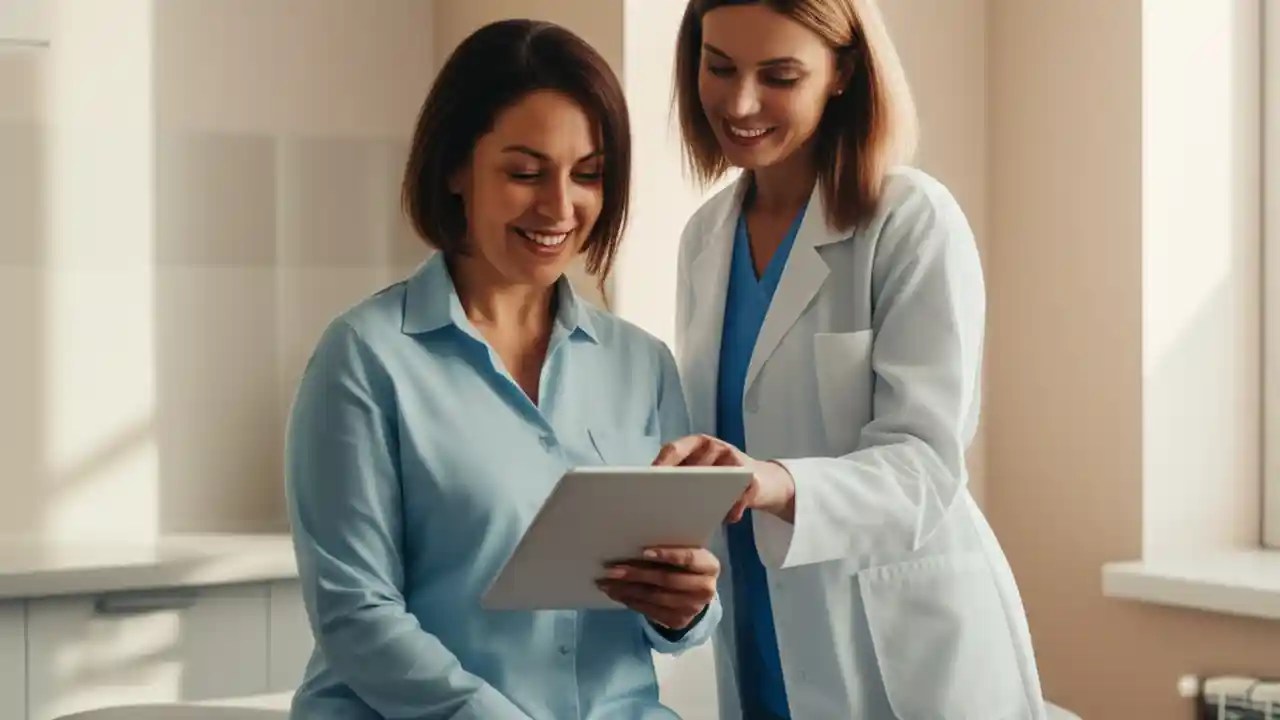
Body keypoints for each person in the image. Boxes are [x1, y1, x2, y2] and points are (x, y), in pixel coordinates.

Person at [284, 19, 721, 720]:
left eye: (588, 174)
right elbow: (355, 615)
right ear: (456, 167)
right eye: (525, 173)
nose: (560, 206)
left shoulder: (642, 365)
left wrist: (684, 606)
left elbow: (678, 616)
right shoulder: (365, 358)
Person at [658, 1, 1047, 718]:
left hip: (898, 651)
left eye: (779, 76)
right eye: (720, 67)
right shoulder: (704, 238)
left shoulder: (909, 219)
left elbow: (924, 466)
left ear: (842, 72)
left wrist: (774, 481)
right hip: (759, 634)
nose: (739, 103)